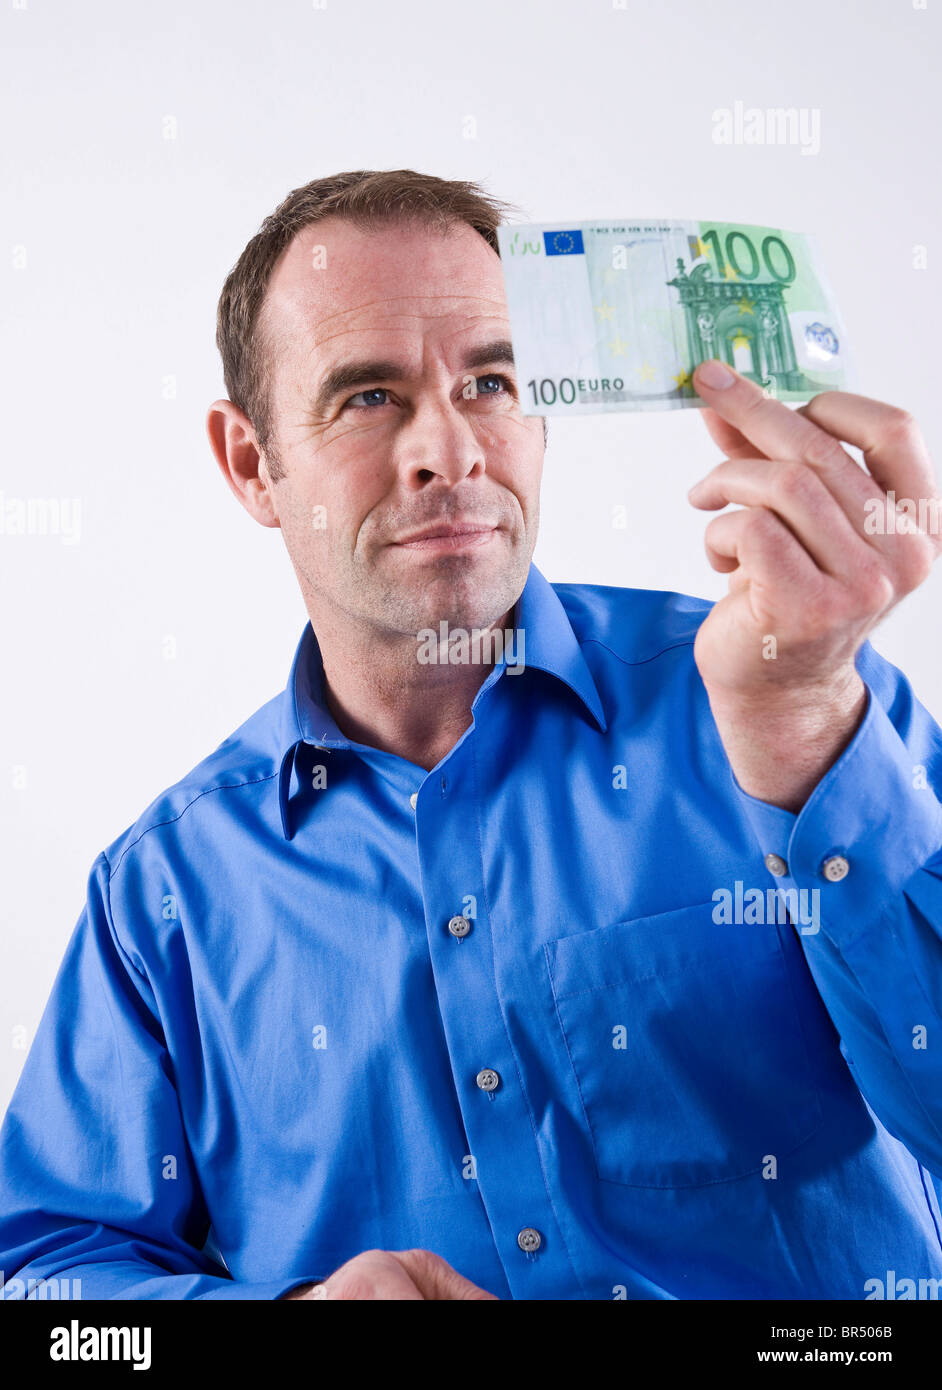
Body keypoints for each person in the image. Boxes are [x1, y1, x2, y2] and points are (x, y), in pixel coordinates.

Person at [2, 169, 941, 1302]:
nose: (450, 452)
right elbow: (48, 1281)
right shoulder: (163, 896)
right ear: (252, 464)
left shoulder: (807, 697)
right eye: (368, 397)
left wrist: (803, 730)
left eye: (491, 382)